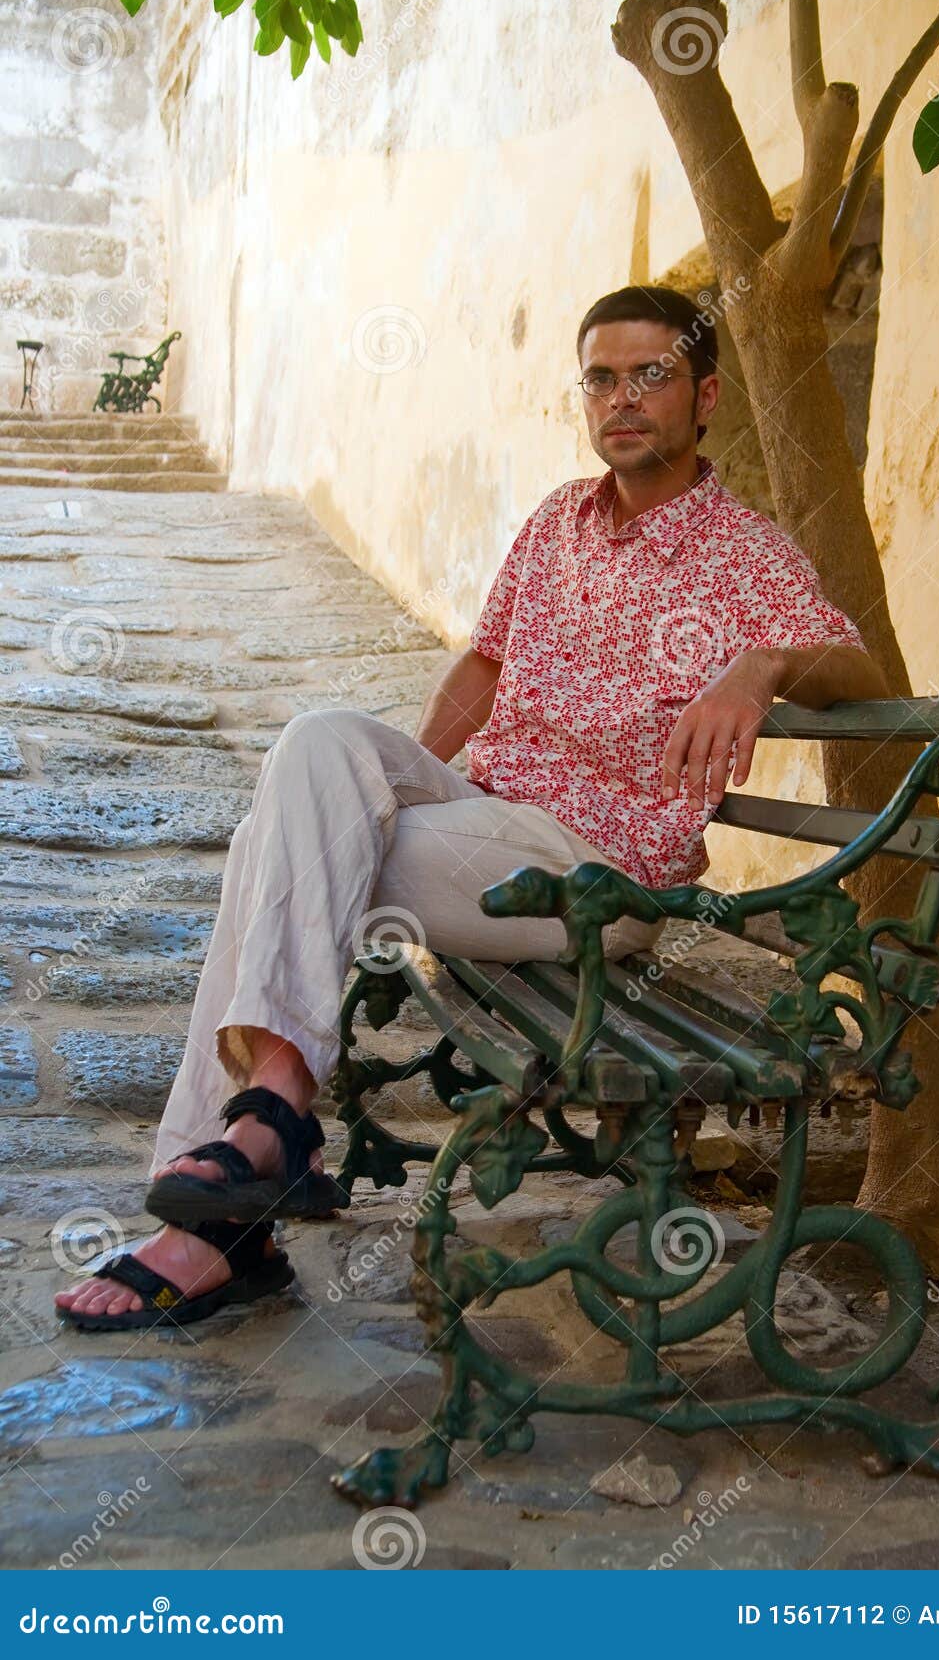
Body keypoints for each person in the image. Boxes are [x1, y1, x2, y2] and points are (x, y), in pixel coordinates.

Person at [55, 283, 887, 1329]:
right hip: (485, 821)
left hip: (595, 874)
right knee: (318, 748)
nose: (622, 398)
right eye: (600, 378)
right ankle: (257, 1147)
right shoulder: (557, 520)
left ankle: (237, 1182)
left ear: (705, 395)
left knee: (283, 846)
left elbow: (856, 667)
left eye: (651, 375)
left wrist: (759, 666)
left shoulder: (740, 551)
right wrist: (392, 775)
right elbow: (486, 664)